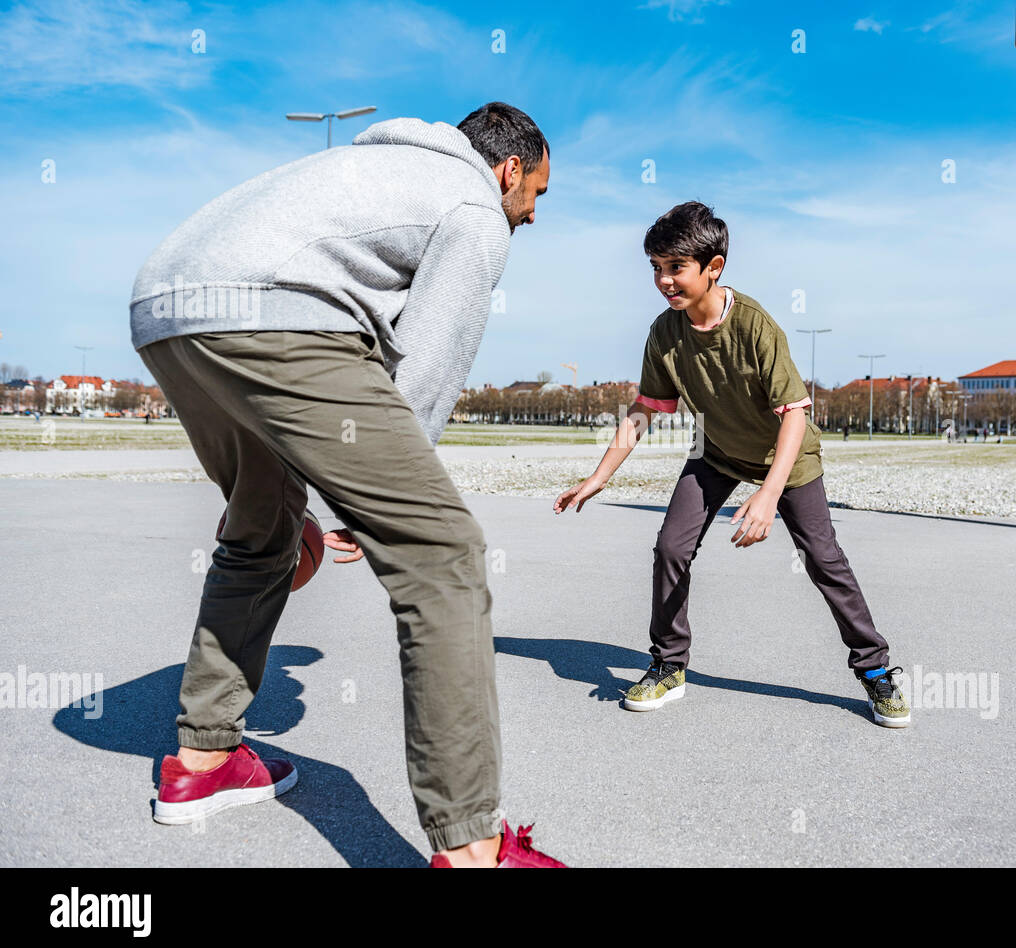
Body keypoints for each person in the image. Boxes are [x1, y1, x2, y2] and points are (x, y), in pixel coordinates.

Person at [129, 102, 562, 867]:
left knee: (262, 529)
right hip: (272, 312)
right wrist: (355, 509)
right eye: (536, 196)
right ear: (509, 169)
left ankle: (203, 761)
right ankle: (471, 847)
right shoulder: (474, 206)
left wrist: (308, 504)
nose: (531, 217)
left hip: (165, 307)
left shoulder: (369, 168)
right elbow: (423, 374)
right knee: (442, 551)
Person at [553, 202, 909, 728]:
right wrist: (599, 477)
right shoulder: (664, 333)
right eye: (655, 267)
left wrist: (766, 495)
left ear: (713, 267)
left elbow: (794, 416)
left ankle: (876, 671)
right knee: (671, 547)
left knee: (823, 559)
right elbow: (647, 408)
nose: (663, 280)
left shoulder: (756, 327)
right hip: (716, 451)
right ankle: (669, 665)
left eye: (675, 267)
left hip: (787, 457)